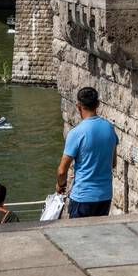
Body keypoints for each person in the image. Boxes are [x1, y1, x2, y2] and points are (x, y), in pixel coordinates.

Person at [55, 86, 118, 218]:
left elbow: (62, 171)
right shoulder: (110, 128)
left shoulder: (76, 133)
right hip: (104, 196)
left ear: (78, 106)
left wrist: (61, 185)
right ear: (98, 104)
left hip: (82, 197)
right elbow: (112, 163)